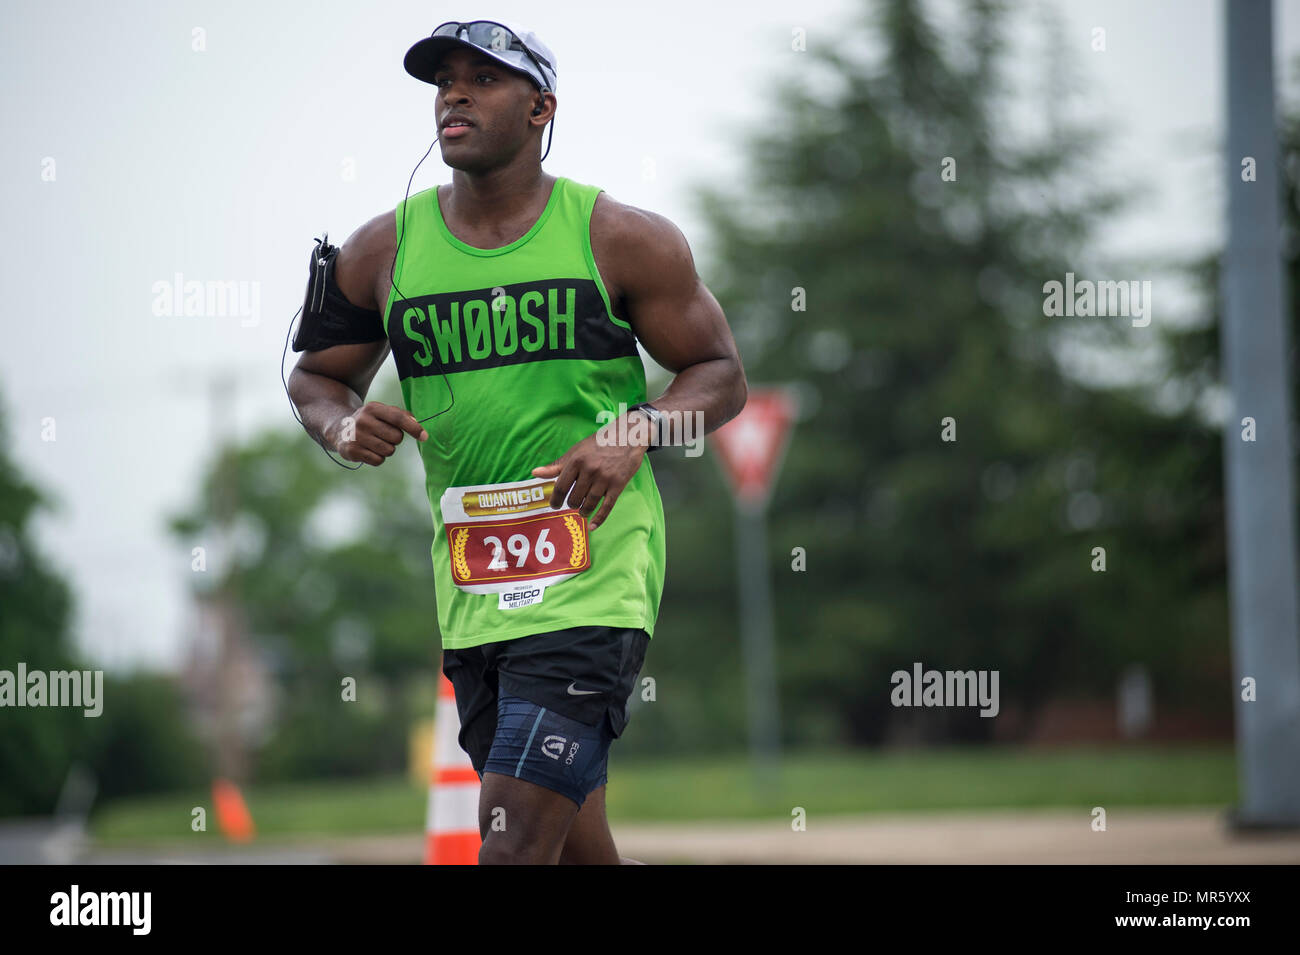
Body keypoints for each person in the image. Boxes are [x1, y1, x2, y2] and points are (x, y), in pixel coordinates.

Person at [287, 19, 746, 865]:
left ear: (541, 108)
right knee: (577, 849)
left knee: (504, 842)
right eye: (443, 80)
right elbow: (315, 377)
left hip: (593, 580)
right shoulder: (383, 249)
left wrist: (638, 429)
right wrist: (341, 423)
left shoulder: (619, 237)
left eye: (481, 79)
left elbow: (720, 377)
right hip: (472, 588)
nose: (453, 93)